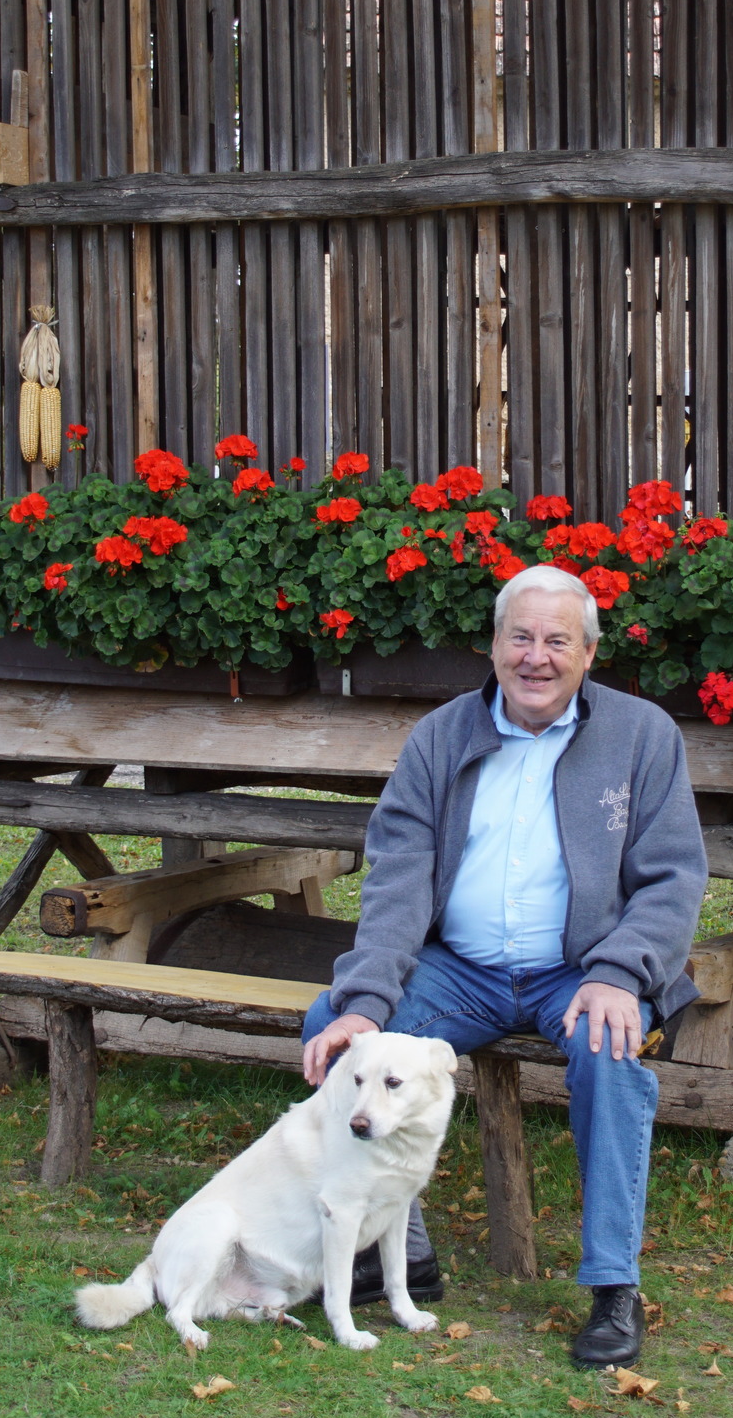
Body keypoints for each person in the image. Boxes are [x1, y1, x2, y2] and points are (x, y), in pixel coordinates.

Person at [302, 563, 708, 1366]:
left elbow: (672, 876)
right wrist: (365, 997)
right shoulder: (443, 737)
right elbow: (397, 874)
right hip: (462, 970)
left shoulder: (642, 735)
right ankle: (399, 1247)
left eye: (558, 640)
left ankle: (612, 1289)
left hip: (581, 970)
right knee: (340, 1032)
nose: (537, 657)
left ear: (589, 654)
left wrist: (621, 973)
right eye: (520, 637)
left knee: (609, 1051)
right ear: (492, 647)